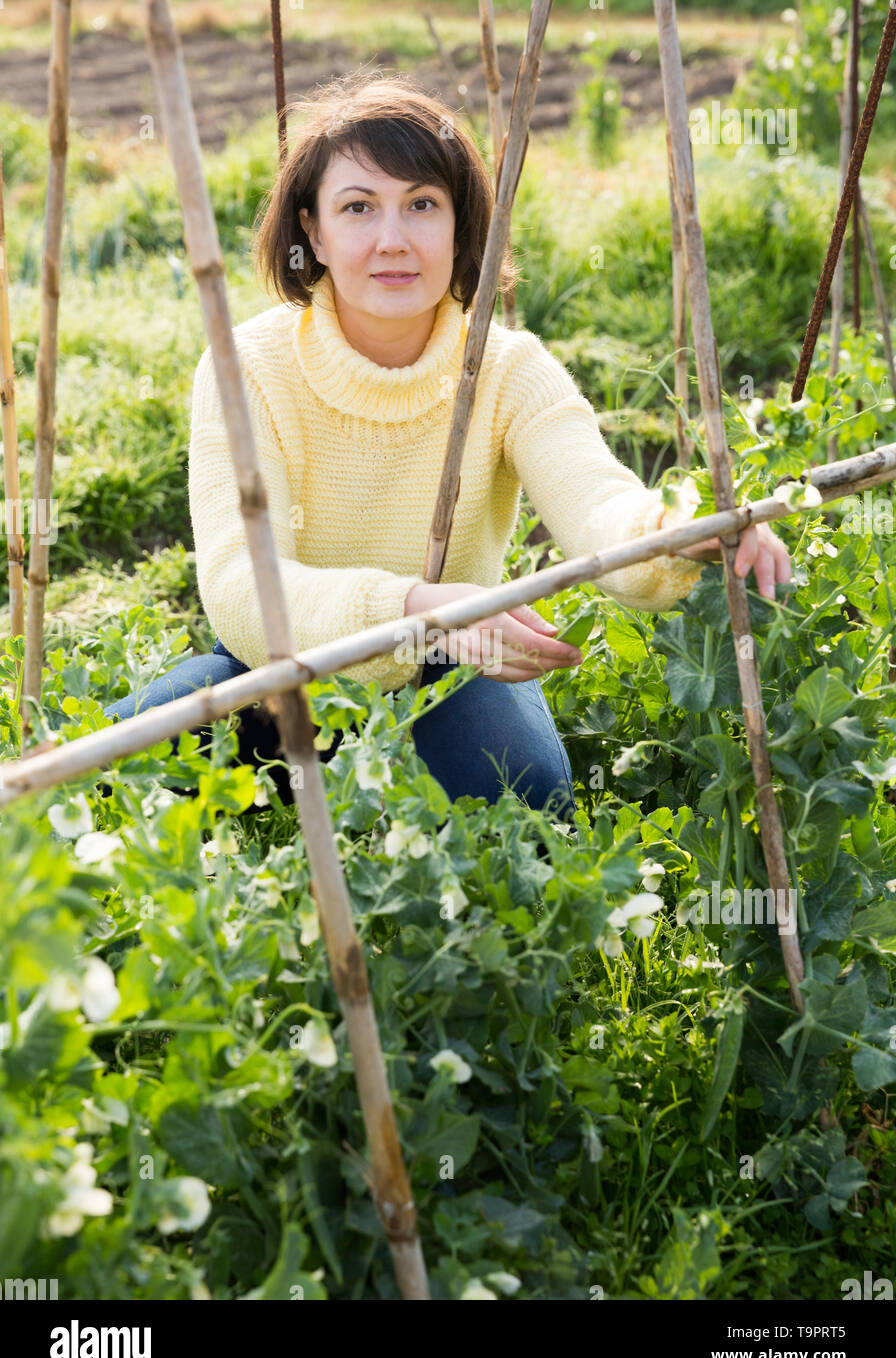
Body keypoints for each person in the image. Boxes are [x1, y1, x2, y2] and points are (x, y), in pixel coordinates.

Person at [103, 70, 791, 821]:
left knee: (521, 799)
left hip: (456, 664)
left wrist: (680, 535)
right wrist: (415, 606)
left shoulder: (507, 369)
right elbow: (241, 585)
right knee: (126, 768)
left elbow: (598, 499)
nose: (392, 241)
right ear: (313, 231)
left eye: (422, 205)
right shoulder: (248, 368)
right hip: (279, 664)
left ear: (461, 225)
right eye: (358, 208)